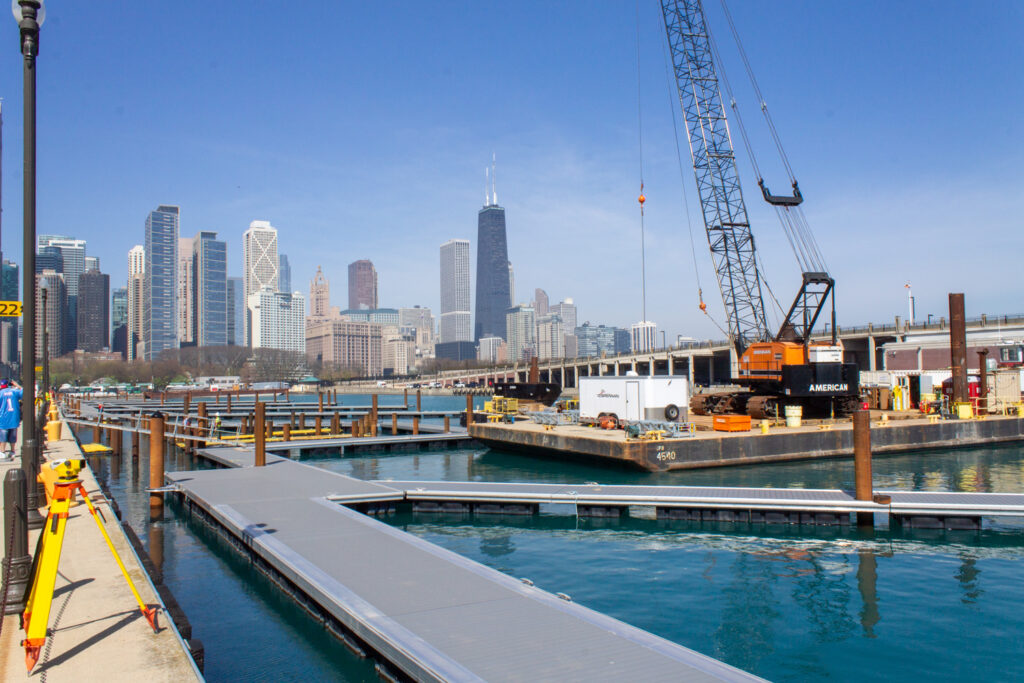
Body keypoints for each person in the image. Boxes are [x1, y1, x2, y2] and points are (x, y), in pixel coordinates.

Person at [0, 379, 24, 459]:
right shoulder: (14, 391)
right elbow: (24, 391)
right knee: (13, 435)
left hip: (3, 418)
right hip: (14, 417)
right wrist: (17, 385)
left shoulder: (0, 393)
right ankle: (12, 451)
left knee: (3, 436)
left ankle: (2, 452)